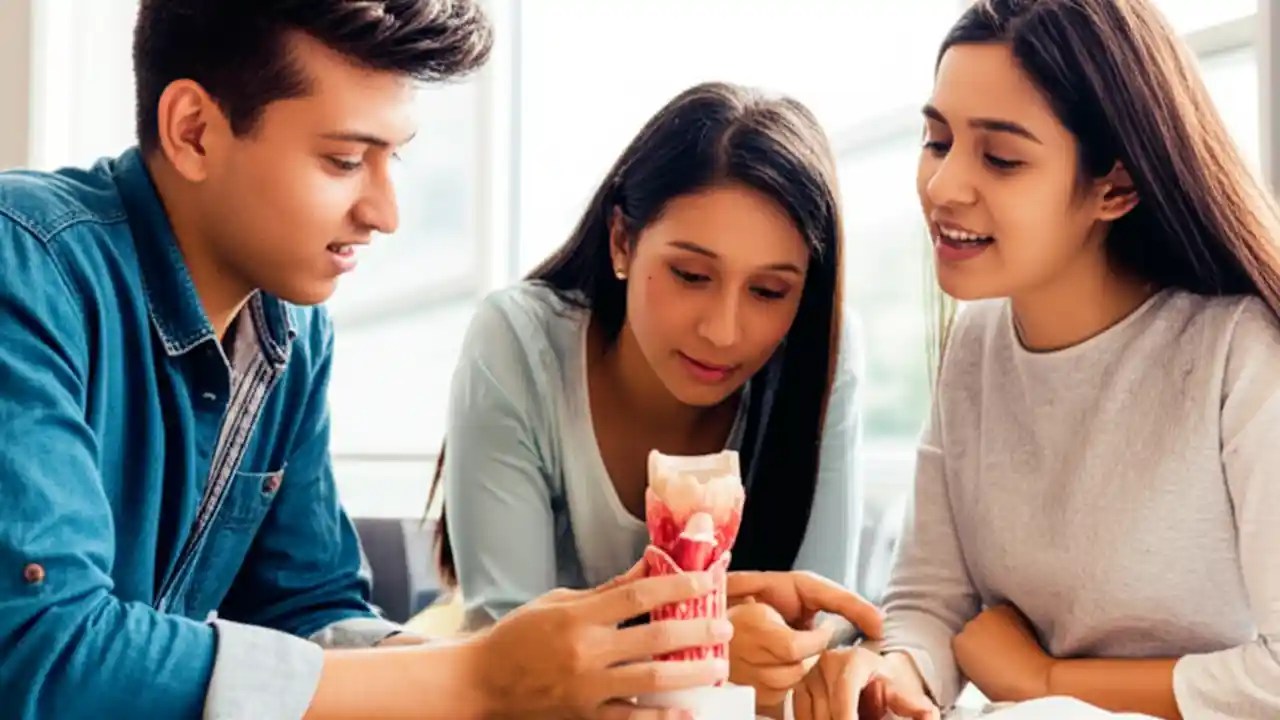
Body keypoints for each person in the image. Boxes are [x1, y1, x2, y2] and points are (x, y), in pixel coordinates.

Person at [0, 2, 753, 718]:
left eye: (393, 160)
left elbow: (307, 611)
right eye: (344, 160)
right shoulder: (24, 266)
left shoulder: (290, 331)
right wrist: (476, 678)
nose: (385, 212)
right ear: (194, 130)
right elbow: (44, 653)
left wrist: (544, 671)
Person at [734, 0, 1280, 718]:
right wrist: (893, 677)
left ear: (1114, 186)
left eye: (1000, 157)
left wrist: (1047, 682)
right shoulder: (977, 341)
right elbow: (933, 600)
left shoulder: (1240, 351)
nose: (943, 186)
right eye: (937, 141)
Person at [430, 82, 864, 652]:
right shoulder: (517, 341)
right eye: (690, 275)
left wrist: (790, 654)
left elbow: (825, 618)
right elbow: (507, 652)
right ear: (621, 241)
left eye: (768, 290)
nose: (723, 332)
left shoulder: (821, 356)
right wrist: (717, 663)